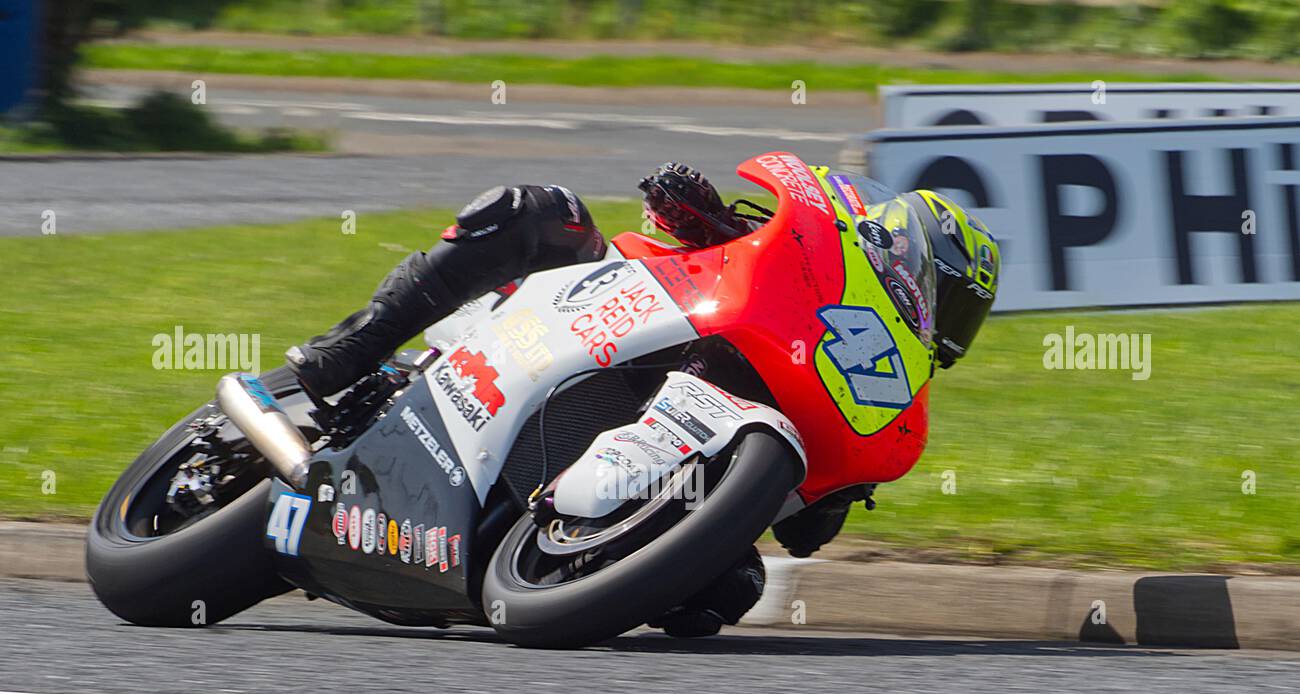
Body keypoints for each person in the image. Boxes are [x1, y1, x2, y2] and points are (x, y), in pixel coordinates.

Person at [285, 162, 1000, 636]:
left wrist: (833, 493)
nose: (941, 312)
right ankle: (341, 358)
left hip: (659, 456)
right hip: (603, 317)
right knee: (537, 210)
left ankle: (557, 572)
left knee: (732, 589)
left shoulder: (877, 383)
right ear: (898, 245)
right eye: (941, 286)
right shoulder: (800, 255)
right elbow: (678, 220)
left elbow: (803, 534)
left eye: (960, 313)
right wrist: (698, 210)